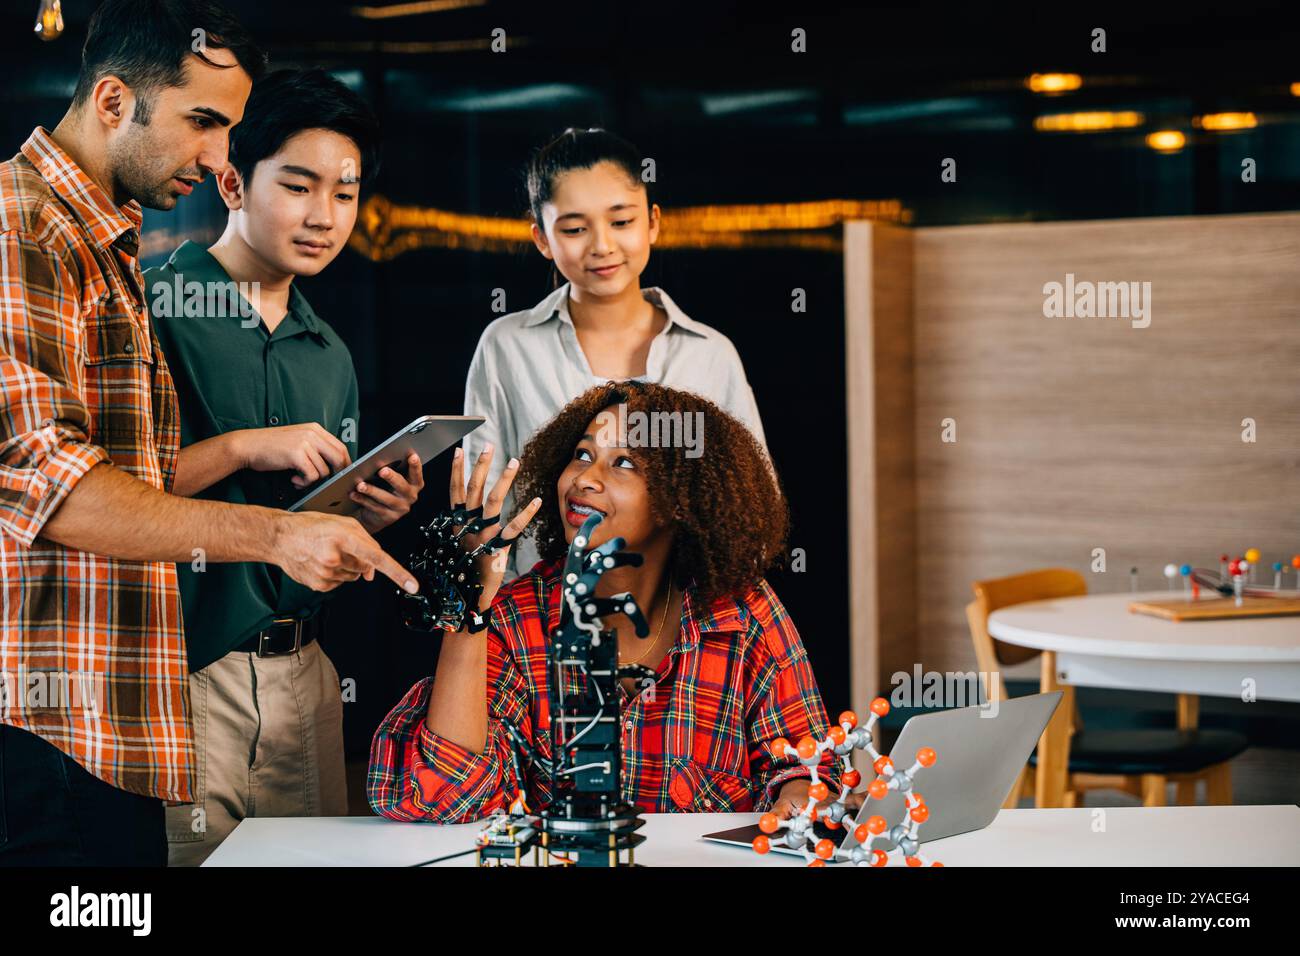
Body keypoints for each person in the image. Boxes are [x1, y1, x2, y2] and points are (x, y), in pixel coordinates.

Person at [0, 0, 415, 867]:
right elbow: (52, 486)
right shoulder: (22, 224)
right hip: (55, 722)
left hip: (117, 713)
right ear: (114, 101)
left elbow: (136, 483)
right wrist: (277, 527)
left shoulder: (101, 246)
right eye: (205, 123)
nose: (221, 157)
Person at [145, 68, 421, 865]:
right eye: (298, 187)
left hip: (308, 676)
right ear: (232, 180)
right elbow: (96, 494)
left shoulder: (328, 350)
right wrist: (242, 447)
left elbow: (308, 535)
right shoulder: (156, 309)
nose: (325, 217)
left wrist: (369, 512)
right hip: (189, 678)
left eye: (345, 191)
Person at [369, 382, 836, 823]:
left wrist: (799, 796)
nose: (585, 479)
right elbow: (444, 796)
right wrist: (468, 613)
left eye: (624, 463)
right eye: (582, 455)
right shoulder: (517, 619)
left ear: (681, 501)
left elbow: (804, 766)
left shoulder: (743, 615)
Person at [463, 128, 767, 578]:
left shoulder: (710, 355)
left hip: (682, 625)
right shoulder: (507, 345)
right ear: (542, 238)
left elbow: (752, 510)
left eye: (621, 221)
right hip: (543, 621)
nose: (602, 245)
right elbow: (484, 506)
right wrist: (509, 618)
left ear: (653, 222)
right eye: (574, 228)